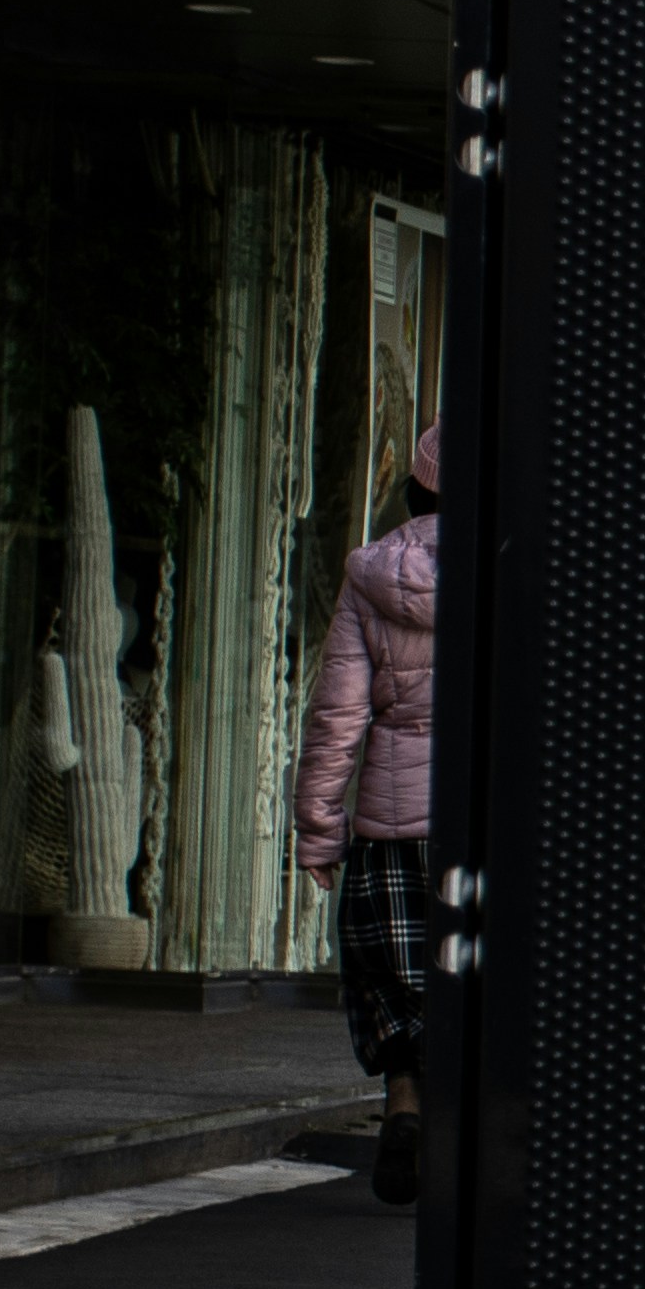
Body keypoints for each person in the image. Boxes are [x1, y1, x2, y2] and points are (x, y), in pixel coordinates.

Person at [294, 424, 444, 1203]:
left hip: (389, 833)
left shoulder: (369, 575)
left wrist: (319, 827)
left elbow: (338, 716)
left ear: (413, 491)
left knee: (396, 986)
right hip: (482, 829)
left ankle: (406, 1109)